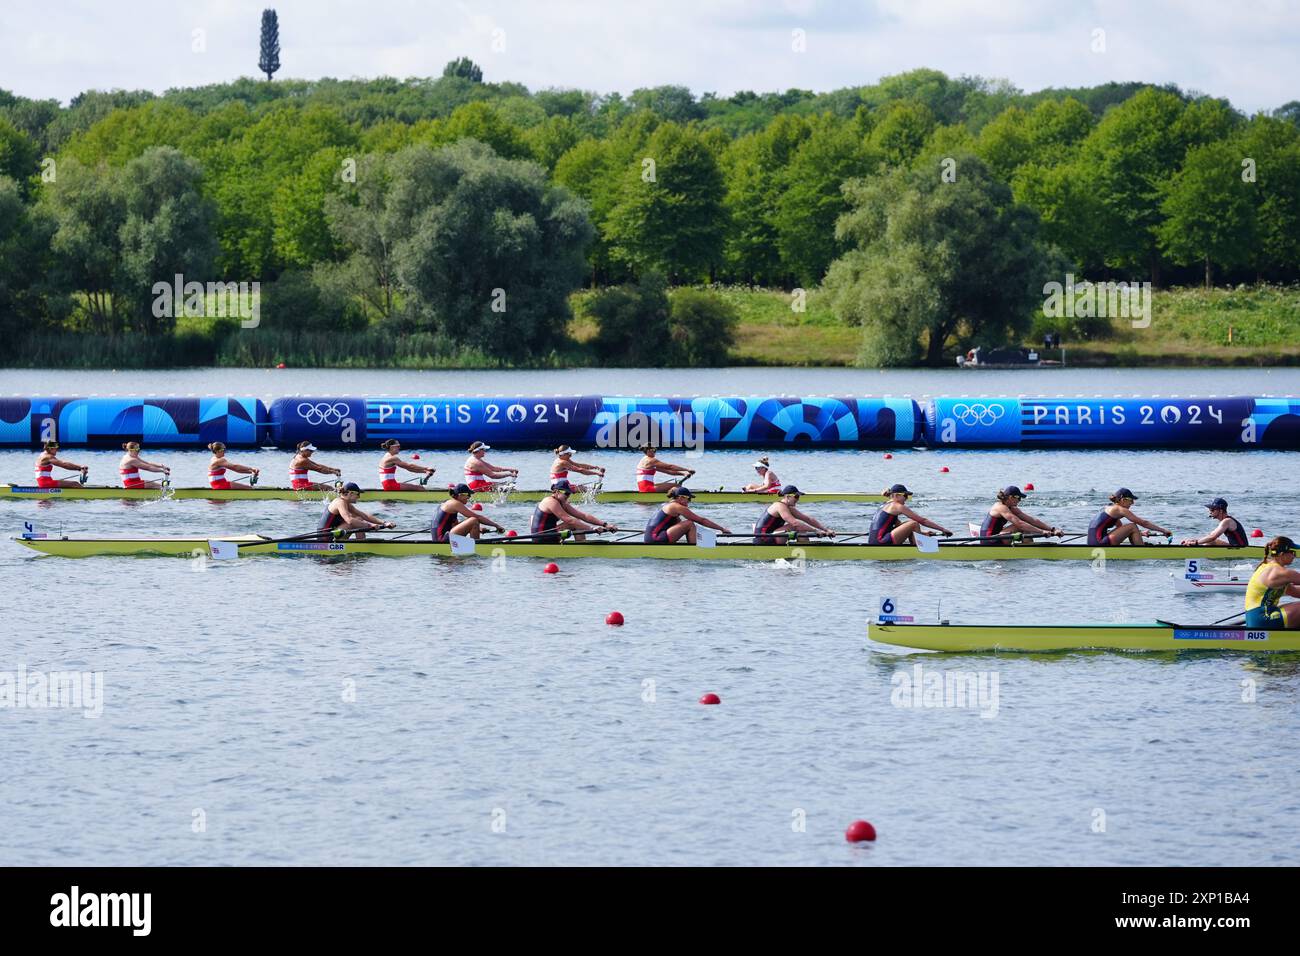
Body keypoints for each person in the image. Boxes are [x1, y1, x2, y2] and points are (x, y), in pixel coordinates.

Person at [530, 480, 618, 543]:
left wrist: (605, 525)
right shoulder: (550, 501)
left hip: (549, 534)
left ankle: (580, 545)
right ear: (557, 491)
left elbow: (583, 516)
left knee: (577, 522)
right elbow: (569, 520)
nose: (568, 496)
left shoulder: (562, 502)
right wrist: (592, 528)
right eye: (566, 493)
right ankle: (581, 547)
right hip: (541, 538)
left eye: (570, 494)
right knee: (574, 523)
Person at [1243, 536, 1300, 628]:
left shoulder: (1266, 566)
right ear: (1282, 554)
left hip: (1254, 619)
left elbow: (1293, 591)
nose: (1295, 556)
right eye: (1293, 553)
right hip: (1263, 618)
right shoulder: (1282, 572)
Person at [870, 484, 954, 545]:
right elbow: (922, 521)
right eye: (905, 496)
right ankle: (919, 546)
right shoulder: (897, 506)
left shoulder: (885, 505)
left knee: (909, 524)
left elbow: (898, 526)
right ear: (897, 495)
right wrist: (942, 529)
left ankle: (918, 542)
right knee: (913, 523)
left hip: (874, 541)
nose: (906, 499)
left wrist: (922, 533)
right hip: (881, 541)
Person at [1086, 488, 1172, 546]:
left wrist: (1139, 533)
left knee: (1132, 528)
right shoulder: (1120, 509)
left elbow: (1120, 528)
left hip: (1092, 542)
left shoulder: (1109, 508)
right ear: (1123, 500)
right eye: (1131, 500)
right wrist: (1164, 531)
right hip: (1100, 542)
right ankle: (1142, 552)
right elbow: (1143, 523)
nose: (1133, 503)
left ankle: (1139, 546)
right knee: (1132, 526)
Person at [643, 487, 731, 544]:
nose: (689, 501)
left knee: (688, 525)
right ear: (680, 498)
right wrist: (722, 529)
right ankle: (694, 550)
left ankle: (696, 544)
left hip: (650, 537)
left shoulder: (667, 505)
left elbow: (679, 526)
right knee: (689, 523)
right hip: (656, 538)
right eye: (688, 499)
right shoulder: (676, 507)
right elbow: (701, 520)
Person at [978, 486, 1062, 545]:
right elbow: (1020, 524)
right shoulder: (1000, 507)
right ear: (1011, 497)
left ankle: (1028, 547)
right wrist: (1042, 532)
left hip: (996, 537)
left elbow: (1031, 520)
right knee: (1020, 526)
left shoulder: (1011, 508)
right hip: (990, 541)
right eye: (1018, 498)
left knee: (1025, 524)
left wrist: (1053, 529)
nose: (1020, 500)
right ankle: (1029, 549)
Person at [753, 486, 834, 543]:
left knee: (800, 527)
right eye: (796, 496)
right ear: (788, 497)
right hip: (763, 539)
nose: (798, 499)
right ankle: (806, 549)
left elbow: (808, 519)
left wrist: (825, 530)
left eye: (798, 497)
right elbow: (795, 523)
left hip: (772, 536)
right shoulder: (779, 506)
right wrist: (816, 531)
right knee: (795, 525)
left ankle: (805, 547)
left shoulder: (788, 507)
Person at [431, 483, 507, 542]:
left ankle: (474, 543)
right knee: (473, 520)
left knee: (473, 522)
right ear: (460, 495)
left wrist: (478, 528)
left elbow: (455, 525)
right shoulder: (455, 503)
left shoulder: (448, 503)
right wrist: (496, 525)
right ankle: (477, 545)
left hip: (441, 537)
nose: (469, 497)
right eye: (468, 495)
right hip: (442, 540)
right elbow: (478, 517)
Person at [318, 482, 394, 539]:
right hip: (325, 537)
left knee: (359, 518)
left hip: (333, 533)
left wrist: (384, 523)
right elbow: (349, 520)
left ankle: (361, 543)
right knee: (356, 520)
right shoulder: (339, 502)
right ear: (350, 493)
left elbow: (364, 515)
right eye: (357, 494)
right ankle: (361, 544)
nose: (359, 497)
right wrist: (370, 525)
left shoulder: (346, 503)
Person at [1181, 497, 1249, 547]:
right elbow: (1210, 536)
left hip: (1242, 549)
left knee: (1211, 541)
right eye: (1210, 509)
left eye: (1212, 509)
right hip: (1235, 548)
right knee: (1210, 541)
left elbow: (1213, 537)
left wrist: (1196, 543)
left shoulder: (1227, 521)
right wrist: (1193, 540)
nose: (1210, 512)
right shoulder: (1224, 522)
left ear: (1221, 511)